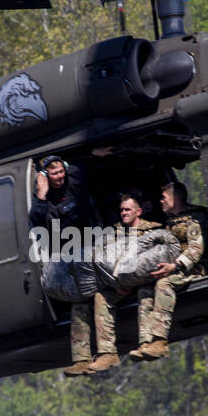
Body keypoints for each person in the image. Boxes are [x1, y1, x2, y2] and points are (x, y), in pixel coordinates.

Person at [32, 155, 102, 377]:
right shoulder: (45, 201)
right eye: (54, 174)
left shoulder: (75, 181)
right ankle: (82, 359)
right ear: (45, 176)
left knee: (97, 297)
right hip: (70, 255)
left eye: (62, 172)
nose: (60, 177)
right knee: (79, 304)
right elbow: (36, 220)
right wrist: (41, 195)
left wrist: (96, 153)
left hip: (93, 247)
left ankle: (104, 352)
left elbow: (87, 164)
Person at [84, 194, 162, 374]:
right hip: (123, 284)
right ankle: (107, 353)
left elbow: (158, 257)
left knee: (146, 293)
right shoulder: (114, 233)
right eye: (121, 210)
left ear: (138, 211)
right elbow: (104, 260)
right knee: (101, 298)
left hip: (146, 280)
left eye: (127, 209)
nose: (123, 213)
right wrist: (114, 284)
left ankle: (146, 343)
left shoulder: (153, 230)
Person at [131, 181, 206, 362]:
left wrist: (176, 266)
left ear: (176, 198)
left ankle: (160, 341)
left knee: (164, 284)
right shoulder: (170, 221)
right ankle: (146, 342)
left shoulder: (194, 218)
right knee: (145, 290)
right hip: (174, 269)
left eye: (164, 198)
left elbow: (196, 249)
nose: (161, 201)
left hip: (193, 268)